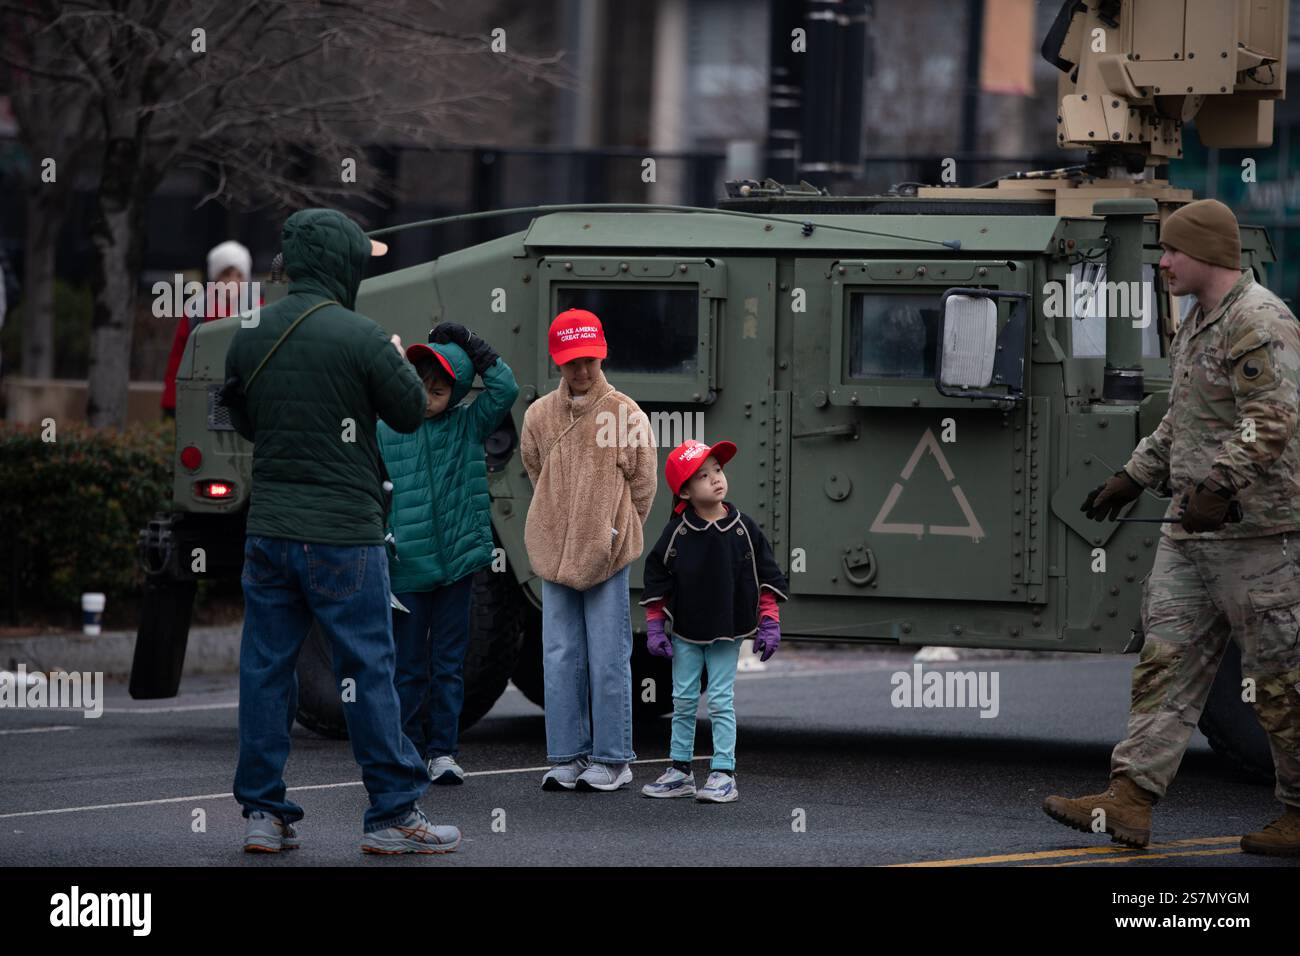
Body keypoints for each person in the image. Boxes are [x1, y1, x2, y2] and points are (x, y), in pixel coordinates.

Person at [1044, 199, 1300, 856]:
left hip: (1257, 536)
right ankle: (1129, 799)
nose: (1162, 263)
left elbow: (1271, 420)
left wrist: (1220, 486)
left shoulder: (1259, 322)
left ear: (1208, 254)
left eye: (1171, 251)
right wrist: (1133, 475)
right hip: (1191, 533)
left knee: (1278, 682)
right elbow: (1179, 419)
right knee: (1165, 662)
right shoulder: (1197, 321)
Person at [225, 208, 459, 855]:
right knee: (369, 670)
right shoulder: (361, 338)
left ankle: (263, 816)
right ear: (341, 264)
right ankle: (391, 817)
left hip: (269, 531)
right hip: (345, 536)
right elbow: (411, 413)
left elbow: (243, 416)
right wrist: (392, 357)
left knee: (267, 671)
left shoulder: (251, 334)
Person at [520, 308, 657, 792]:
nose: (580, 371)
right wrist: (560, 523)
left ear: (602, 357)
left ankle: (613, 760)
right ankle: (567, 756)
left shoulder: (625, 412)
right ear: (557, 362)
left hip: (607, 556)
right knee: (558, 654)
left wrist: (612, 532)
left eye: (588, 361)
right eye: (570, 362)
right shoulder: (538, 415)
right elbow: (535, 473)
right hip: (553, 552)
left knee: (608, 654)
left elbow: (643, 486)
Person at [378, 323, 518, 784]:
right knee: (409, 665)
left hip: (460, 564)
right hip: (409, 567)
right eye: (419, 385)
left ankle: (443, 751)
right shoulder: (389, 428)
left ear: (456, 393)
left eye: (439, 389)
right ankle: (408, 748)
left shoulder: (468, 423)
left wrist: (475, 346)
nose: (427, 396)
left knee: (449, 664)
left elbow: (506, 387)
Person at [637, 439, 789, 802]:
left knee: (720, 700)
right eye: (703, 476)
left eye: (718, 470)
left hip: (729, 630)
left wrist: (769, 621)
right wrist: (656, 625)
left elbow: (766, 576)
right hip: (686, 632)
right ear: (685, 491)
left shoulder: (744, 529)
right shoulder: (676, 532)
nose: (716, 479)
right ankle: (680, 770)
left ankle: (723, 772)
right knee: (684, 699)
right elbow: (658, 578)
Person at [163, 240, 253, 418]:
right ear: (216, 276)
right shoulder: (197, 309)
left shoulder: (257, 309)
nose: (232, 281)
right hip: (201, 394)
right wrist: (172, 400)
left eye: (239, 275)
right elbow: (180, 356)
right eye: (226, 274)